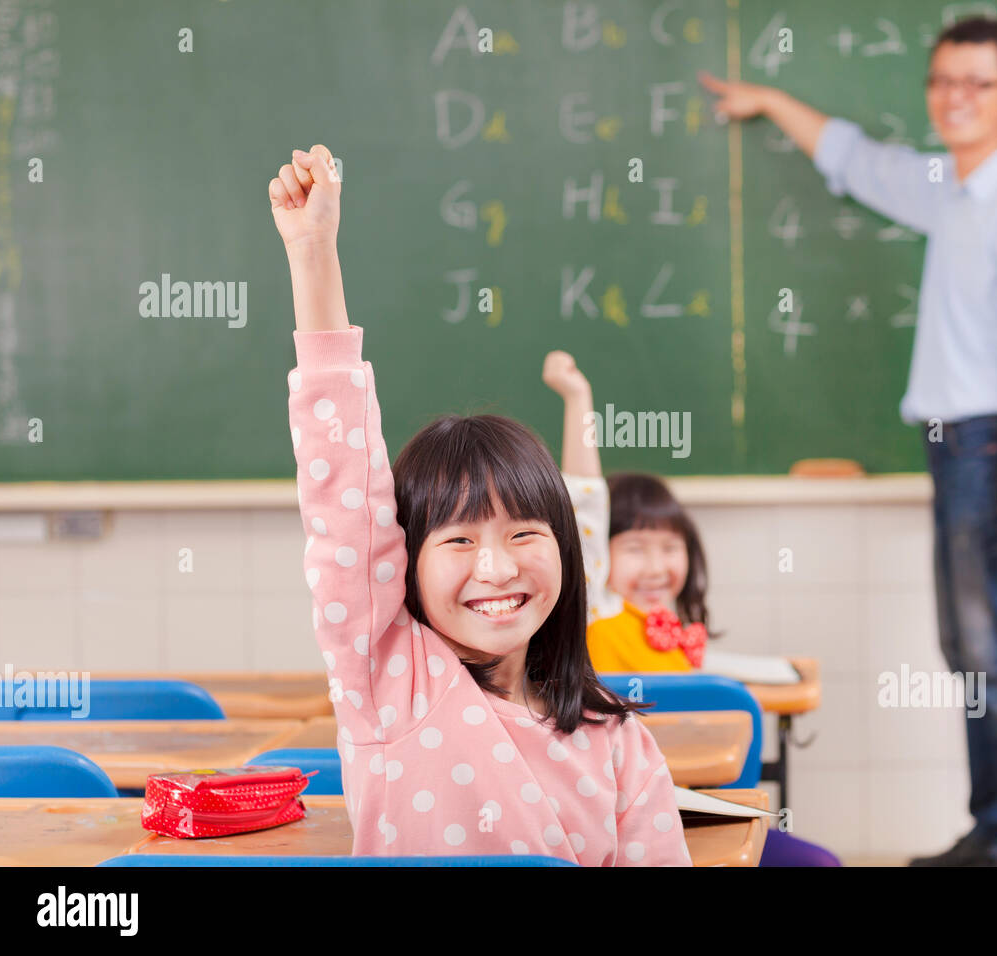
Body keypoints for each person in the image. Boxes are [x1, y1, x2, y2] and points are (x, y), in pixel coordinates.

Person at [701, 15, 997, 867]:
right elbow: (859, 160)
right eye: (942, 82)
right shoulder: (950, 186)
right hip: (961, 449)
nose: (956, 99)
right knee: (973, 650)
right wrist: (770, 99)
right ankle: (994, 833)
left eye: (976, 84)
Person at [269, 144, 690, 865]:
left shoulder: (619, 745)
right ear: (403, 564)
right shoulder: (390, 682)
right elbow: (343, 496)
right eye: (458, 541)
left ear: (568, 547)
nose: (496, 567)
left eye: (525, 533)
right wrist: (313, 254)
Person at [543, 349, 841, 866]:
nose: (656, 565)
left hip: (696, 807)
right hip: (617, 815)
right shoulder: (595, 614)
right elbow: (585, 504)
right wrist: (579, 399)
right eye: (635, 548)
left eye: (669, 546)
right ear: (595, 556)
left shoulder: (674, 632)